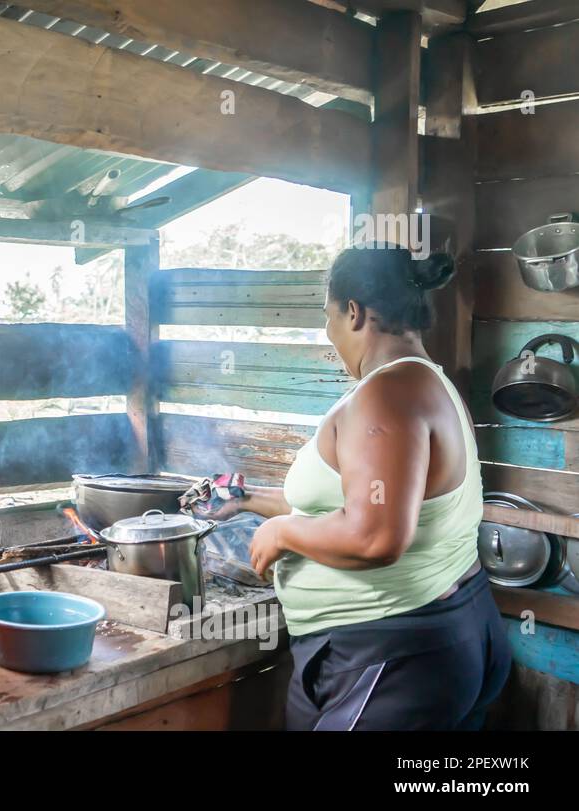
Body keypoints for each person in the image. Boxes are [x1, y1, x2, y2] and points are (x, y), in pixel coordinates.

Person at [188, 247, 510, 730]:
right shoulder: (426, 382)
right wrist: (248, 500)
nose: (328, 334)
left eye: (329, 316)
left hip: (391, 654)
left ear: (353, 312)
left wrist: (281, 533)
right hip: (440, 638)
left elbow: (375, 537)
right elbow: (356, 503)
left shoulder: (386, 394)